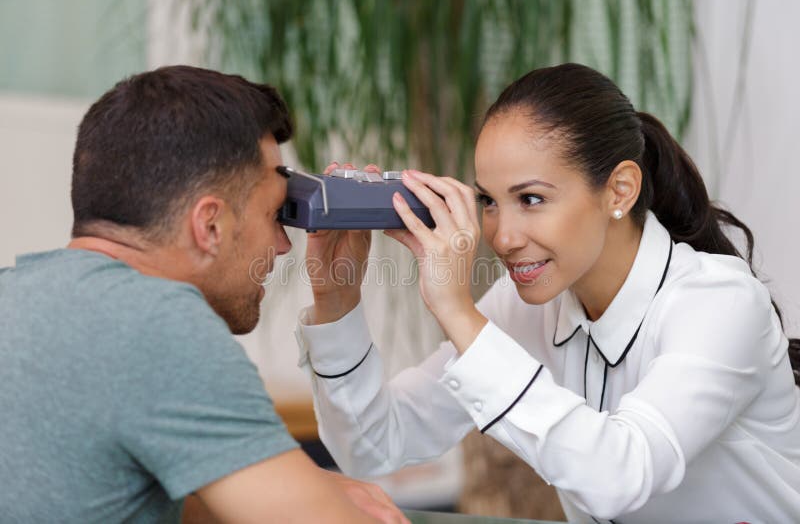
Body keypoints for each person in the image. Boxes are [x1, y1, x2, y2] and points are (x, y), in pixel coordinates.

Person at [295, 63, 800, 522]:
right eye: (489, 201)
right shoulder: (527, 306)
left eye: (531, 199)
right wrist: (337, 303)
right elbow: (372, 446)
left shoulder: (721, 304)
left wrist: (456, 308)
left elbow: (619, 476)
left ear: (620, 190)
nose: (503, 236)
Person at [0, 65, 409, 523]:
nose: (282, 245)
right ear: (210, 224)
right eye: (275, 213)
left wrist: (289, 480)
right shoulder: (160, 325)